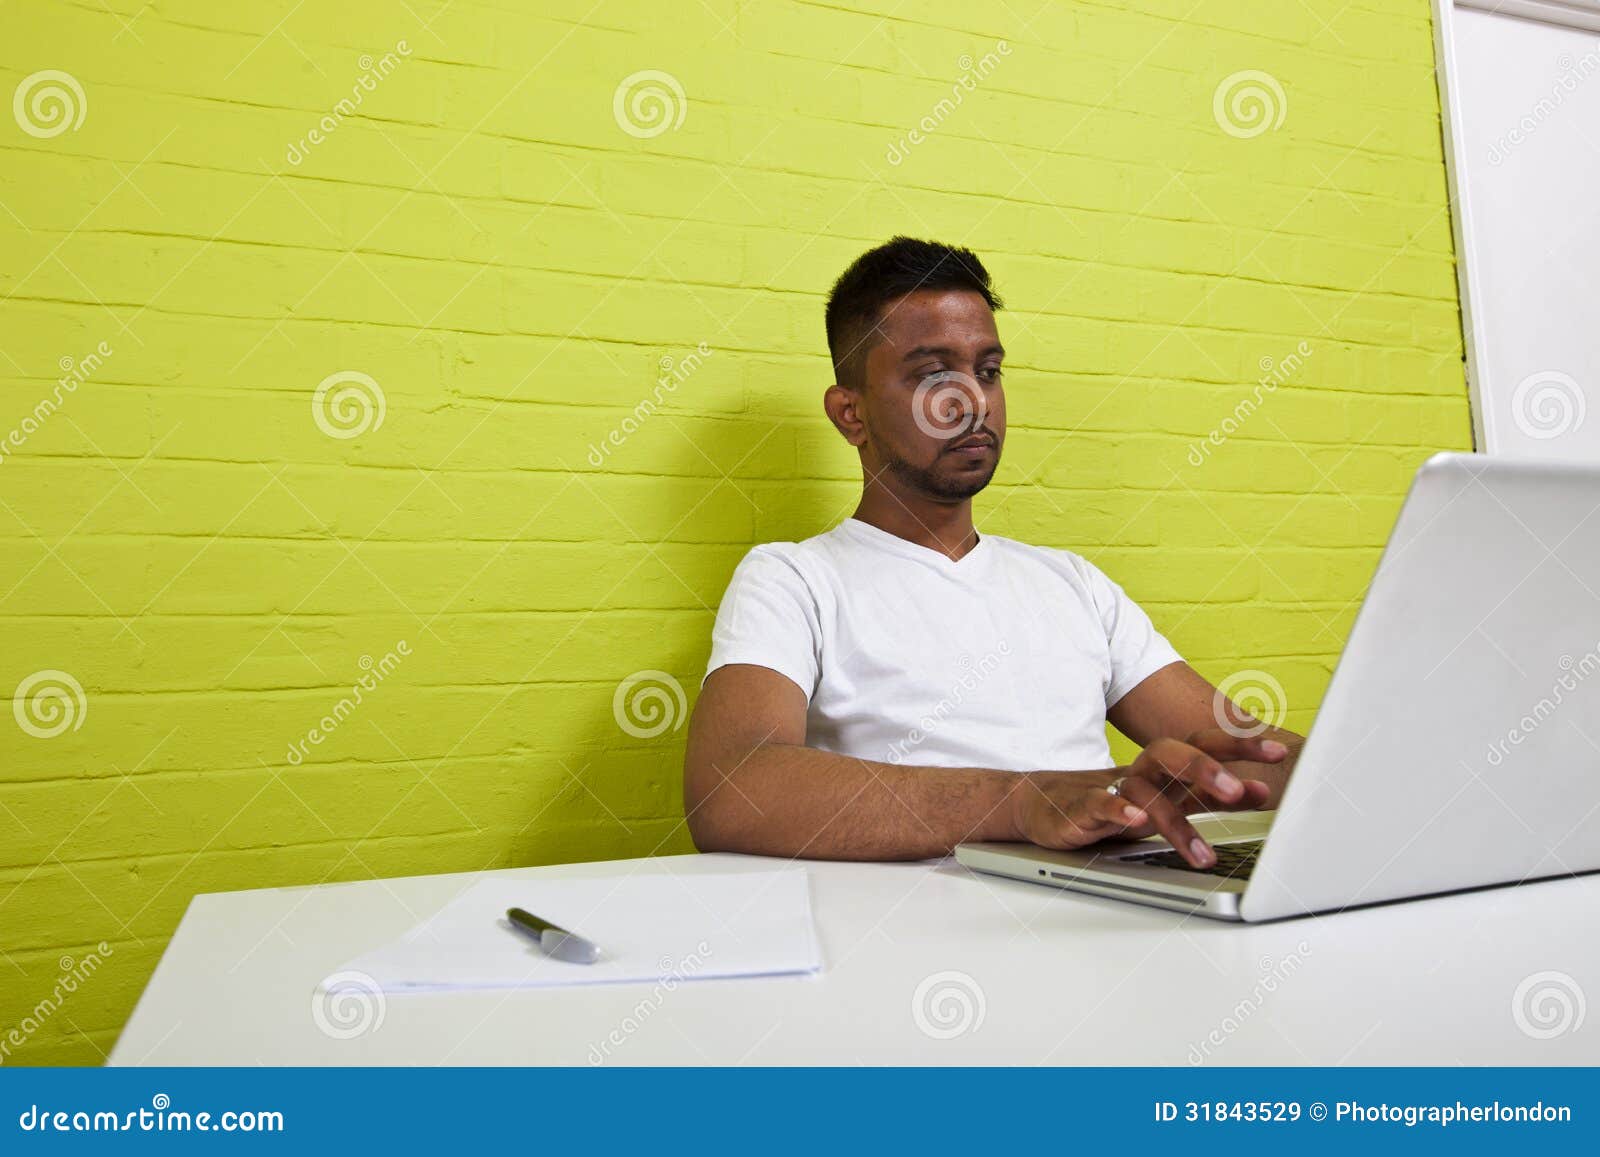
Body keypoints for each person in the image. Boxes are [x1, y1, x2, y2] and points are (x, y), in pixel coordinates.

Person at [684, 236, 1302, 864]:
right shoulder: (793, 580)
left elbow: (1254, 755)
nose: (974, 403)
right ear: (851, 414)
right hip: (914, 920)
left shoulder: (1072, 584)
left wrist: (1343, 765)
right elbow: (730, 791)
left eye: (987, 372)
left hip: (1111, 907)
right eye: (933, 375)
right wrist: (1023, 803)